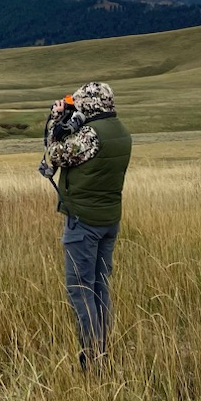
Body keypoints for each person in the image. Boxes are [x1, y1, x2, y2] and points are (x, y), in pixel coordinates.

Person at [38, 80, 132, 370]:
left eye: (79, 103)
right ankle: (103, 349)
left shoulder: (91, 135)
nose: (75, 107)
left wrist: (56, 118)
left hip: (84, 222)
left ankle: (92, 358)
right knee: (100, 287)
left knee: (81, 289)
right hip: (108, 220)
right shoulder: (121, 132)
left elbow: (54, 154)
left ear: (90, 104)